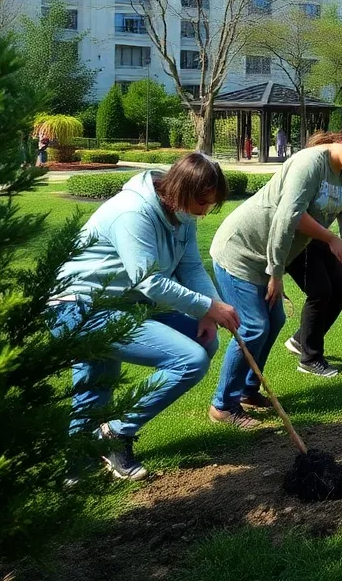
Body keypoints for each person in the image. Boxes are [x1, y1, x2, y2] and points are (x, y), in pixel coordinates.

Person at [51, 154, 240, 481]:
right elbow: (148, 281)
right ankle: (113, 435)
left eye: (210, 204)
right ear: (181, 190)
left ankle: (77, 463)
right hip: (78, 308)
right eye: (202, 202)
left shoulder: (182, 213)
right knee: (190, 359)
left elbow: (190, 267)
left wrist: (210, 309)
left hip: (123, 303)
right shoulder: (133, 212)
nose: (205, 211)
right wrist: (207, 307)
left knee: (100, 382)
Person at [210, 121, 342, 422]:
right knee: (254, 326)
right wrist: (276, 272)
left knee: (273, 322)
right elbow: (289, 216)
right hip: (241, 251)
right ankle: (222, 405)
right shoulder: (309, 163)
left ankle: (248, 390)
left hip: (271, 254)